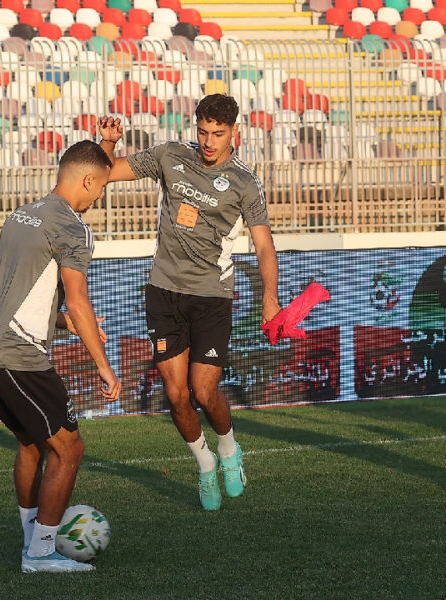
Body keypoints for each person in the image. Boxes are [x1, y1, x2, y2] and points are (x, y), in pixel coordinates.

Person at [98, 94, 282, 510]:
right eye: (203, 131)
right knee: (177, 394)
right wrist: (108, 143)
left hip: (212, 295)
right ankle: (204, 466)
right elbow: (106, 173)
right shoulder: (171, 155)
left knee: (203, 390)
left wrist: (270, 298)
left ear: (236, 132)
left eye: (218, 133)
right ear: (194, 126)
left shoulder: (244, 182)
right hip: (163, 291)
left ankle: (229, 450)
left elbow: (265, 246)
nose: (209, 141)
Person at [0, 140, 122, 573]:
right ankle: (39, 553)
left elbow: (11, 290)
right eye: (102, 188)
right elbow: (79, 300)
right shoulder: (73, 227)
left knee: (33, 444)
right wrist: (104, 367)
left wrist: (60, 323)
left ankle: (33, 533)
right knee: (69, 448)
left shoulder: (20, 215)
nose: (99, 198)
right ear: (88, 179)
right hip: (16, 355)